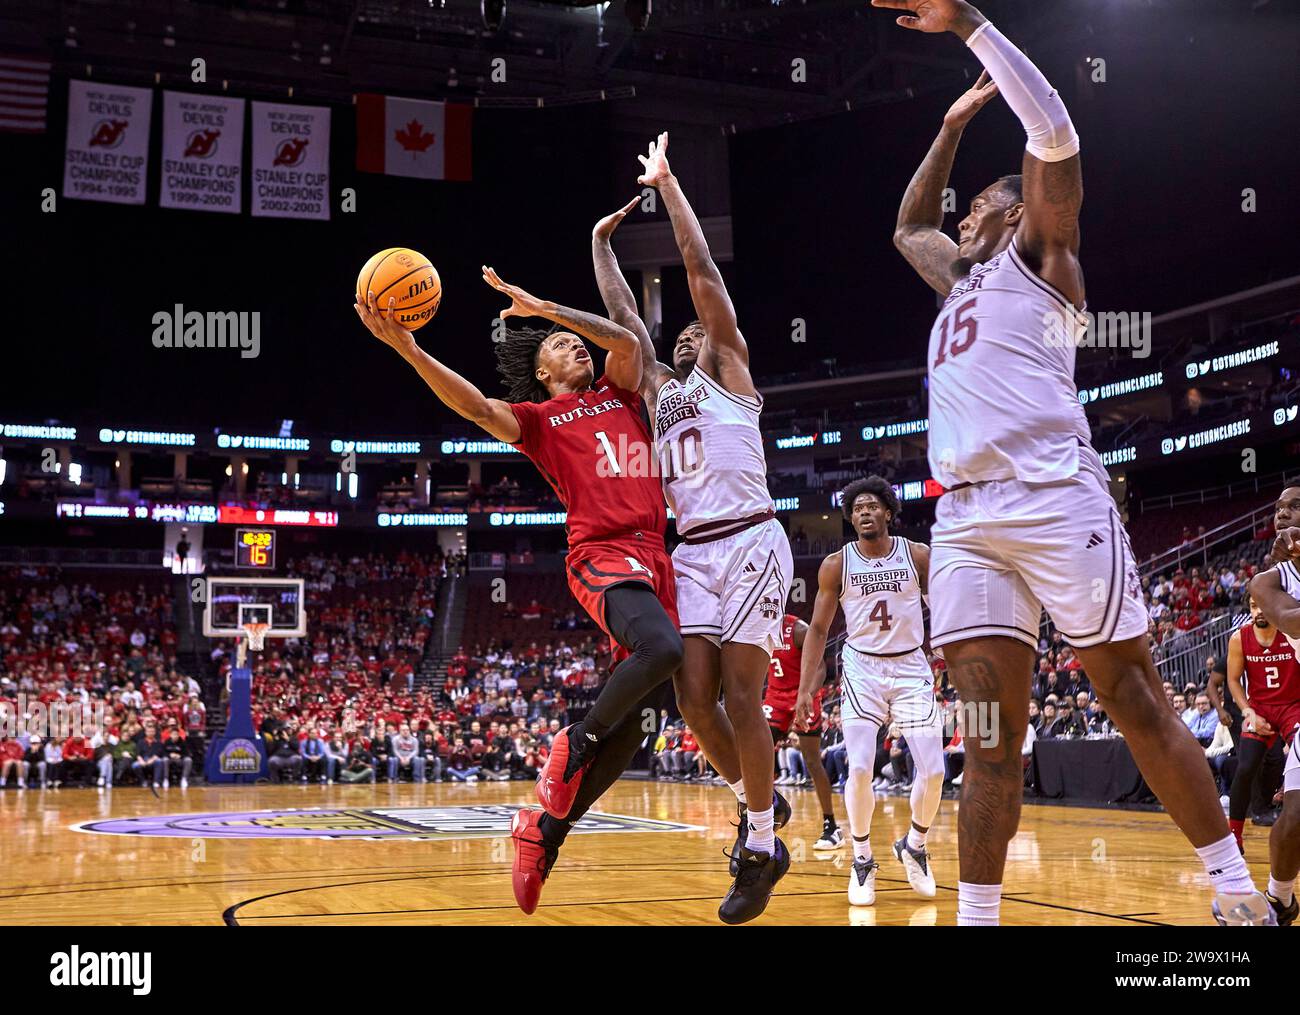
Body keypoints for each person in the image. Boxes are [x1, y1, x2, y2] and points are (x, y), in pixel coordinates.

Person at [880, 0, 1267, 924]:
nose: (969, 208)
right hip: (967, 523)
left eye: (986, 200)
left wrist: (969, 22)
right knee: (989, 740)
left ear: (1021, 213)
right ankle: (977, 917)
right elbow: (906, 228)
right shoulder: (960, 280)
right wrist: (946, 126)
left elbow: (1054, 126)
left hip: (1054, 496)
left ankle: (1234, 890)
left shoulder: (1044, 255)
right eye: (967, 204)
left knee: (1131, 692)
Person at [356, 264, 683, 917]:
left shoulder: (621, 392)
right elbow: (475, 405)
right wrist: (411, 348)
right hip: (602, 551)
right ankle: (574, 742)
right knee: (663, 649)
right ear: (542, 373)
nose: (574, 347)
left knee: (650, 716)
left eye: (572, 340)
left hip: (658, 554)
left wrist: (549, 309)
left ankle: (545, 830)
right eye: (559, 346)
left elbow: (628, 344)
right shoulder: (540, 419)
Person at [591, 134, 795, 923]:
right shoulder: (657, 394)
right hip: (693, 551)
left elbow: (702, 273)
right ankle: (763, 823)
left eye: (693, 334)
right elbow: (621, 326)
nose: (683, 337)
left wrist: (669, 187)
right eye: (673, 338)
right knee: (692, 701)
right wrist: (600, 243)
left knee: (744, 699)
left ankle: (753, 841)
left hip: (749, 536)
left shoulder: (732, 370)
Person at [798, 476, 943, 906]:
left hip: (911, 664)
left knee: (934, 770)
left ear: (887, 513)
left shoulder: (917, 556)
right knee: (859, 769)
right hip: (861, 668)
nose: (864, 512)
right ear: (850, 515)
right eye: (857, 507)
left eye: (872, 506)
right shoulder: (836, 565)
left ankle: (914, 845)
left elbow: (946, 611)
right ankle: (861, 858)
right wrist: (807, 688)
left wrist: (955, 655)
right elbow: (820, 629)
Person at [1244, 486, 1300, 926]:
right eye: (1278, 509)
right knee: (1295, 812)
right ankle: (1280, 899)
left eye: (1295, 507)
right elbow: (1292, 620)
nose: (1283, 514)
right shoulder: (1265, 583)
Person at [1224, 591, 1297, 854]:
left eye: (1263, 605)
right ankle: (1234, 835)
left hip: (1292, 706)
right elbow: (1232, 680)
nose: (1259, 611)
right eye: (1254, 606)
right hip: (1259, 709)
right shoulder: (1238, 638)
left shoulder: (1292, 632)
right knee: (1245, 768)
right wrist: (1247, 712)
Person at [765, 613, 843, 850]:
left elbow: (820, 667)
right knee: (758, 753)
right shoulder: (757, 626)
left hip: (803, 695)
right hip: (775, 697)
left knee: (812, 760)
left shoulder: (798, 629)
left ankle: (831, 826)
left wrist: (807, 694)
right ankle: (766, 814)